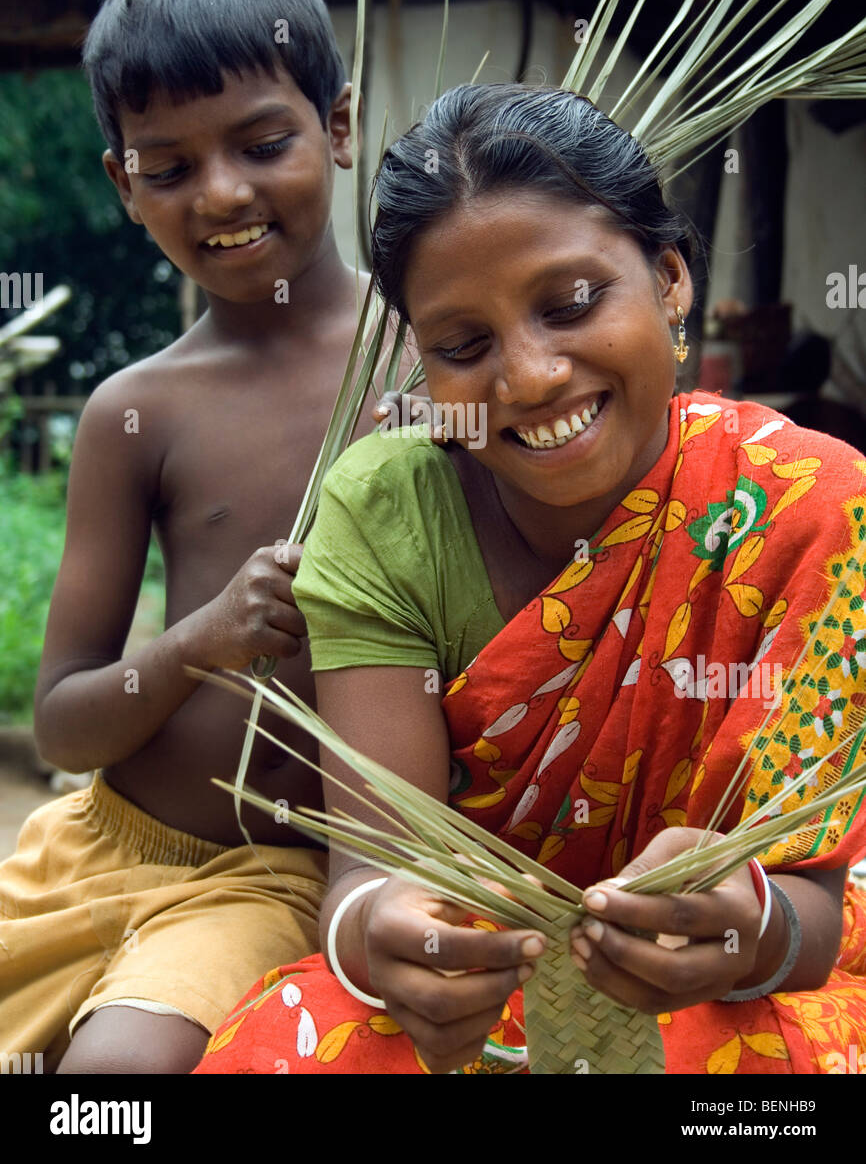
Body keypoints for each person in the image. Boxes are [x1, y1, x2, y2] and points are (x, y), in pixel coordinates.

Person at [194, 83, 866, 1076]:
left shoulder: (810, 505)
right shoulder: (387, 515)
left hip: (720, 998)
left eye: (570, 304)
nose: (529, 376)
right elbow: (369, 873)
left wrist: (749, 929)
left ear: (670, 279)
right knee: (297, 1040)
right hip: (475, 995)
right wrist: (384, 939)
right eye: (461, 348)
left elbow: (810, 904)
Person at [0, 0, 397, 1075]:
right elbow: (65, 723)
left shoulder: (428, 366)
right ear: (125, 186)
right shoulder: (140, 412)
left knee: (114, 1084)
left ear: (336, 123)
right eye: (166, 166)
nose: (220, 191)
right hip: (92, 849)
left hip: (268, 870)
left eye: (262, 142)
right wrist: (198, 643)